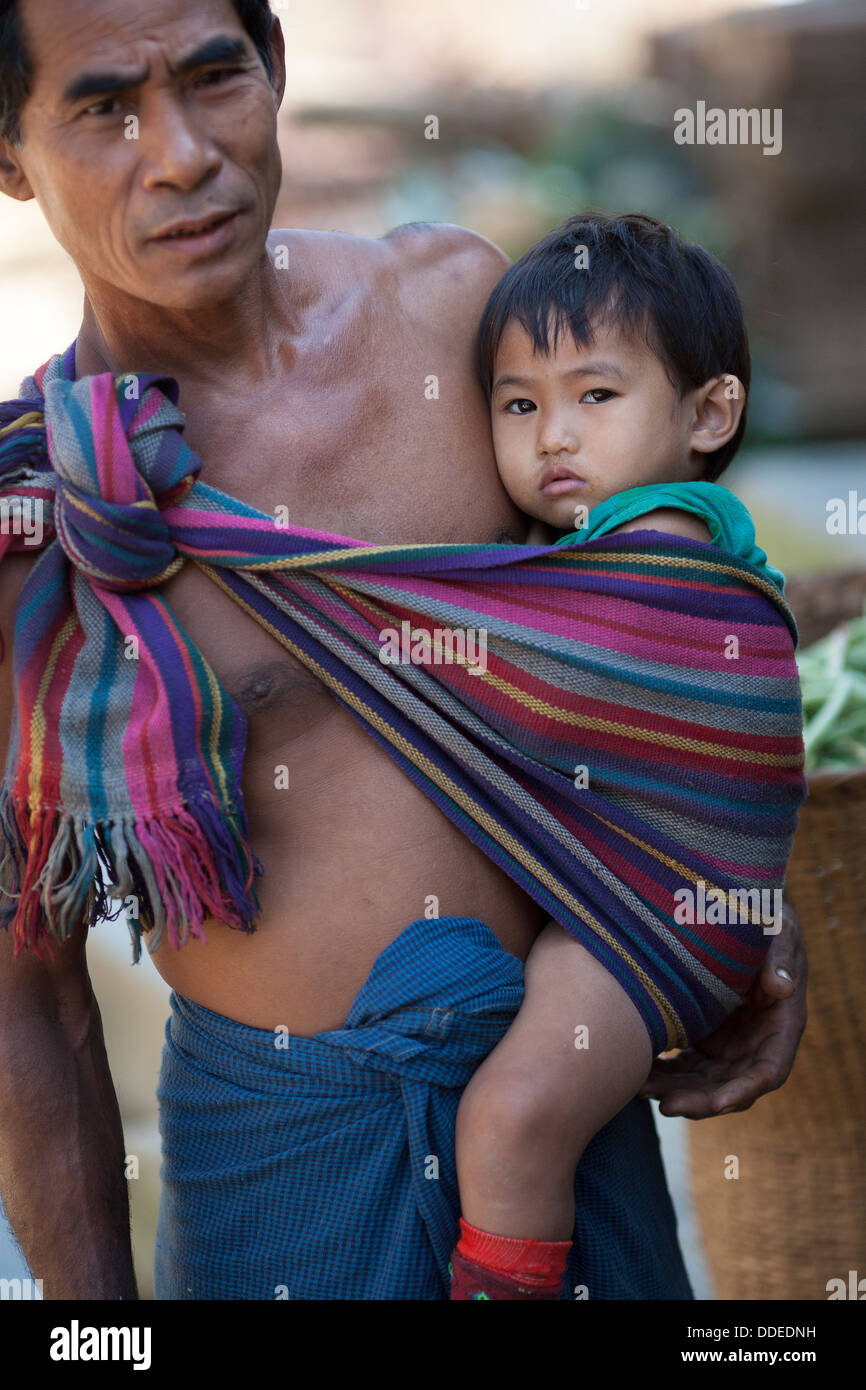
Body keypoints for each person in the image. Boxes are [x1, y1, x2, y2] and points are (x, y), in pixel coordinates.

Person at [0, 0, 807, 1300]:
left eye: (215, 79)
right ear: (10, 153)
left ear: (273, 69)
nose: (182, 153)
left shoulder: (460, 319)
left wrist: (723, 892)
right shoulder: (49, 519)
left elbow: (648, 625)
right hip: (284, 1169)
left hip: (560, 1119)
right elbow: (26, 1001)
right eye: (104, 107)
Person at [448, 213, 804, 1299]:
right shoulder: (596, 550)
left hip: (657, 917)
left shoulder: (662, 553)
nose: (551, 435)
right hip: (640, 912)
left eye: (593, 397)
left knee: (510, 1122)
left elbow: (549, 695)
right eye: (519, 404)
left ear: (707, 413)